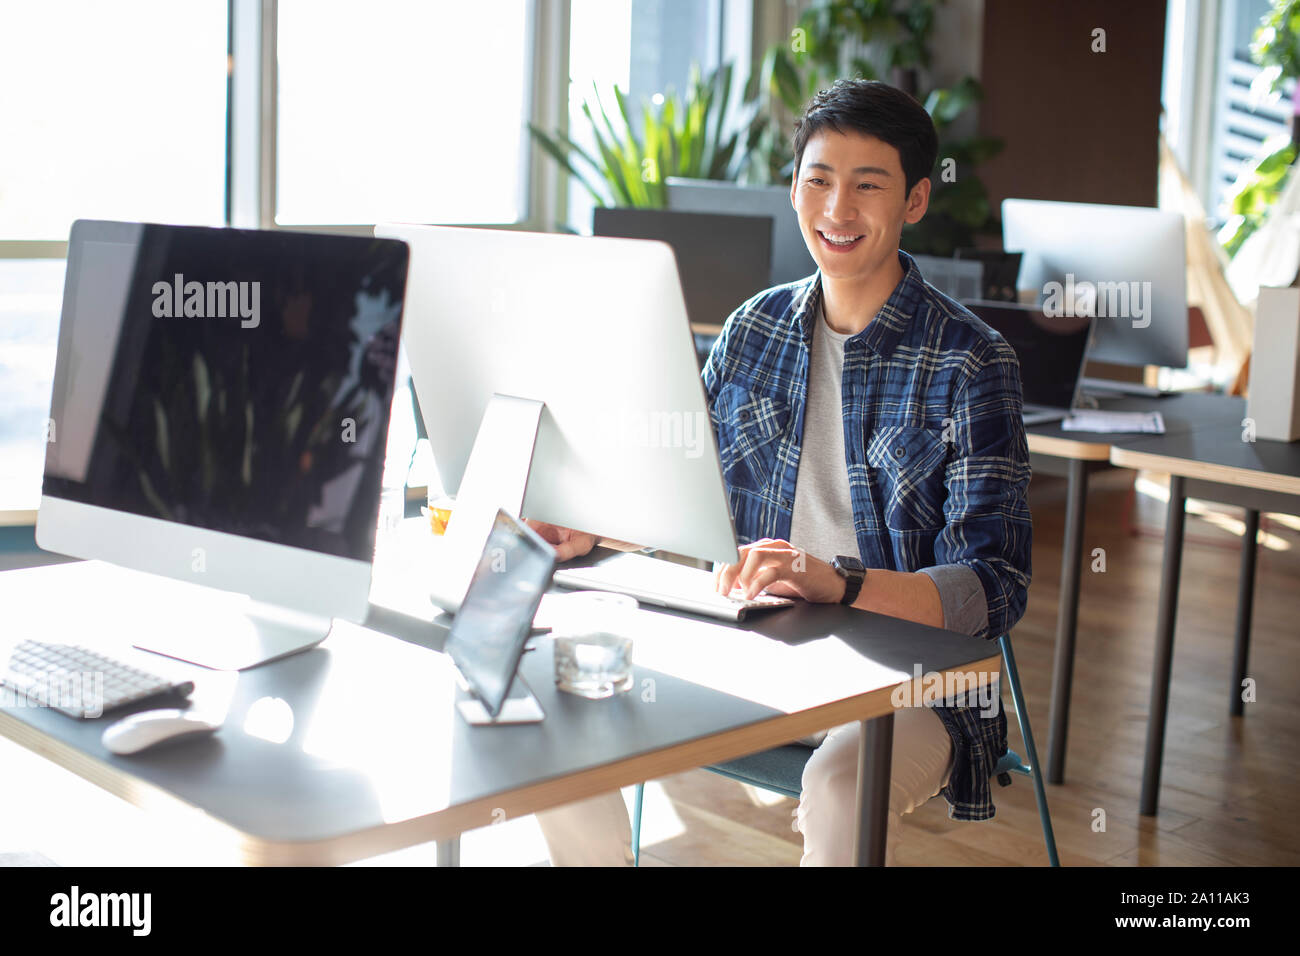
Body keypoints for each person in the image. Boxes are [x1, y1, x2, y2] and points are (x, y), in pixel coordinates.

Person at [531, 78, 1031, 866]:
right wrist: (591, 522)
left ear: (916, 201)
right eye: (819, 180)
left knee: (836, 788)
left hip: (910, 678)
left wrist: (844, 583)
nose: (837, 209)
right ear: (794, 187)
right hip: (753, 644)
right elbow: (680, 483)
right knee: (556, 710)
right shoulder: (753, 327)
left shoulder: (972, 361)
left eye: (869, 186)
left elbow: (995, 585)